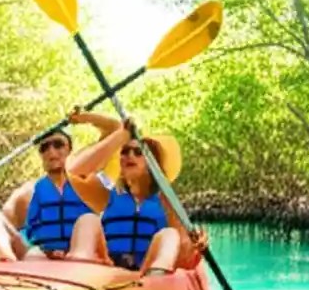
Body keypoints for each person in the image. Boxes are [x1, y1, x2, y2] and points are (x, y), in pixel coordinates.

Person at [0, 108, 120, 261]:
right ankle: (6, 263)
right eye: (44, 147)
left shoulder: (89, 178)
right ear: (41, 156)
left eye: (58, 145)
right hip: (40, 259)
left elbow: (116, 129)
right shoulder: (27, 194)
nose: (52, 151)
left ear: (70, 149)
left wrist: (85, 118)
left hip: (82, 257)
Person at [61, 118, 209, 276]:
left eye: (138, 152)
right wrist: (121, 135)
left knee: (170, 235)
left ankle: (155, 278)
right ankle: (78, 271)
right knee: (88, 220)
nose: (129, 156)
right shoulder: (108, 195)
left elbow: (183, 255)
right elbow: (73, 172)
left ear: (153, 164)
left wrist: (197, 245)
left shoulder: (167, 202)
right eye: (124, 152)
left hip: (145, 270)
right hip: (108, 267)